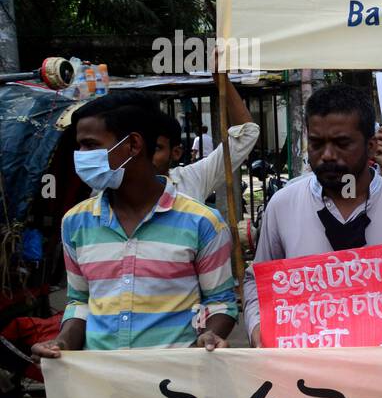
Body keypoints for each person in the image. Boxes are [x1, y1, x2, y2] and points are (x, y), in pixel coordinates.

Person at [244, 83, 382, 346]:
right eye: (317, 144)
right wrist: (258, 327)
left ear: (370, 146)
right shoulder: (283, 205)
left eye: (342, 143)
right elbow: (258, 282)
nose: (328, 156)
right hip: (305, 377)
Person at [32, 91, 237, 357]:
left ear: (133, 145)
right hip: (100, 383)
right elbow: (79, 302)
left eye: (90, 145)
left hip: (174, 387)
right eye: (79, 146)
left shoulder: (203, 222)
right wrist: (62, 343)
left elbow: (220, 304)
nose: (80, 156)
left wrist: (211, 334)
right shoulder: (75, 222)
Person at [153, 86, 260, 204]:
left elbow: (246, 134)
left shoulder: (191, 179)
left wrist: (222, 79)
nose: (144, 156)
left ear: (176, 152)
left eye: (155, 148)